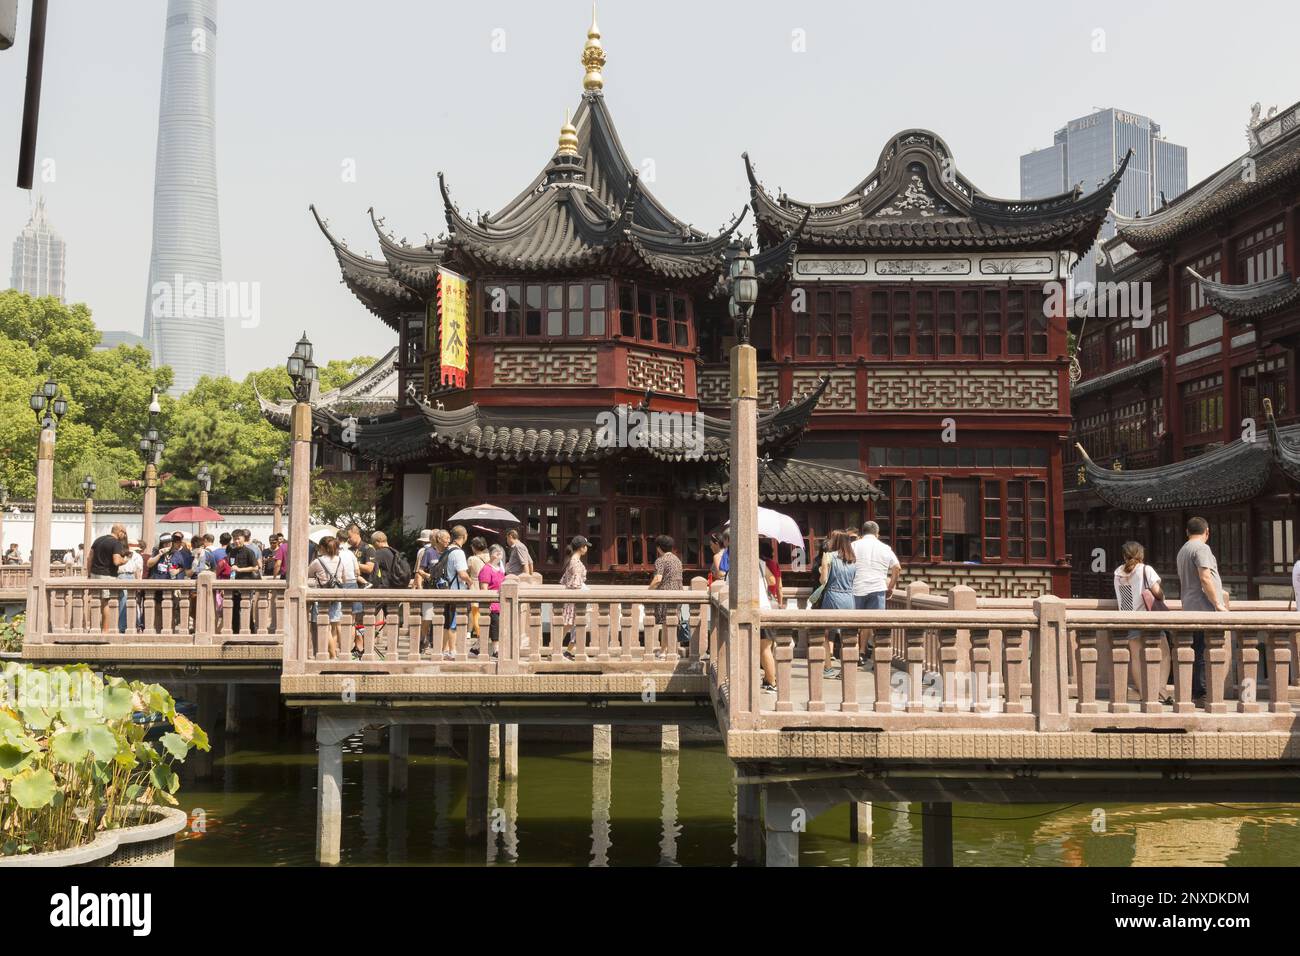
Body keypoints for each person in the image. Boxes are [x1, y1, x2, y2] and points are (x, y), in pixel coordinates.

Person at [1113, 541, 1170, 704]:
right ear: (1141, 554)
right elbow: (1157, 593)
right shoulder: (1146, 569)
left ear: (1124, 556)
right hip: (1148, 617)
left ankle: (1144, 695)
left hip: (1128, 618)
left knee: (1136, 658)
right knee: (1164, 652)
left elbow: (1124, 599)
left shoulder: (1117, 573)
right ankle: (1160, 690)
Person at [1176, 516, 1225, 702]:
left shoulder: (1183, 550)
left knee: (1196, 650)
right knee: (1204, 652)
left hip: (1189, 605)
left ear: (1187, 532)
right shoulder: (1202, 548)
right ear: (1207, 532)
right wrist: (1218, 603)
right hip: (1204, 607)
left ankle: (1196, 691)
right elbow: (1205, 578)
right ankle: (1202, 692)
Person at [818, 530, 858, 679]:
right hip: (849, 598)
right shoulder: (853, 560)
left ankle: (828, 668)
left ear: (835, 542)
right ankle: (847, 670)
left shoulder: (828, 556)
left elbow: (823, 580)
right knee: (848, 636)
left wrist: (822, 570)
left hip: (832, 596)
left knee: (824, 633)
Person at [648, 534, 691, 650]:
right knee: (672, 623)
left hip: (665, 595)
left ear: (659, 547)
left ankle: (664, 651)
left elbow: (658, 579)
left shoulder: (661, 561)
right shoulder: (677, 560)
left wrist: (648, 591)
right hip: (677, 594)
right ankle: (671, 650)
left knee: (666, 624)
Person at [306, 535, 346, 660]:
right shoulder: (339, 560)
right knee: (333, 625)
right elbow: (343, 577)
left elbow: (308, 573)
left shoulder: (318, 561)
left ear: (322, 547)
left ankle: (333, 655)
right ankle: (331, 654)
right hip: (336, 594)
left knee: (325, 626)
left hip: (323, 595)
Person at [851, 521, 901, 610]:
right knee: (876, 623)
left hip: (857, 589)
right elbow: (897, 567)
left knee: (856, 622)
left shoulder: (854, 545)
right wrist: (890, 588)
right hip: (878, 589)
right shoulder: (885, 548)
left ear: (863, 532)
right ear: (877, 533)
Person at [89, 523, 129, 634]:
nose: (124, 536)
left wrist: (89, 574)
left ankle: (93, 626)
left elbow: (90, 557)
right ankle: (105, 630)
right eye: (124, 533)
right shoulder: (116, 543)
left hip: (94, 574)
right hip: (107, 576)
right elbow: (116, 561)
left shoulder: (98, 540)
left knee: (95, 601)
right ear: (119, 531)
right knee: (106, 602)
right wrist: (125, 560)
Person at [558, 535, 589, 660]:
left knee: (572, 625)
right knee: (569, 625)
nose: (587, 548)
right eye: (586, 546)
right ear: (581, 548)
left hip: (573, 597)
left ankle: (566, 651)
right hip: (575, 598)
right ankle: (558, 650)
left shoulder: (573, 560)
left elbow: (566, 581)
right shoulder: (575, 562)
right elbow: (576, 584)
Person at [477, 543, 507, 659]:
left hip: (500, 602)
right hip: (491, 603)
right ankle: (495, 650)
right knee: (494, 626)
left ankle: (475, 648)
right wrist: (487, 603)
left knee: (491, 627)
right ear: (491, 554)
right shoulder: (486, 569)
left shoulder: (500, 569)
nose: (499, 555)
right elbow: (484, 588)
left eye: (500, 553)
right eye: (496, 553)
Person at [466, 537, 489, 653]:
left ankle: (479, 634)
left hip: (474, 584)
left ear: (474, 547)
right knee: (485, 609)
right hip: (487, 584)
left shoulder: (471, 559)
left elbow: (467, 572)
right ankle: (483, 633)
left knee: (475, 611)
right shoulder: (490, 557)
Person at [116, 539, 144, 634]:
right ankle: (128, 625)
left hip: (124, 576)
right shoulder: (137, 556)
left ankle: (124, 625)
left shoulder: (122, 554)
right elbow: (138, 571)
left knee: (124, 602)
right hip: (128, 576)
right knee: (127, 602)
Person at [761, 538, 783, 606]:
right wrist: (780, 603)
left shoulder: (758, 563)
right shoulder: (774, 564)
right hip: (771, 597)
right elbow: (779, 587)